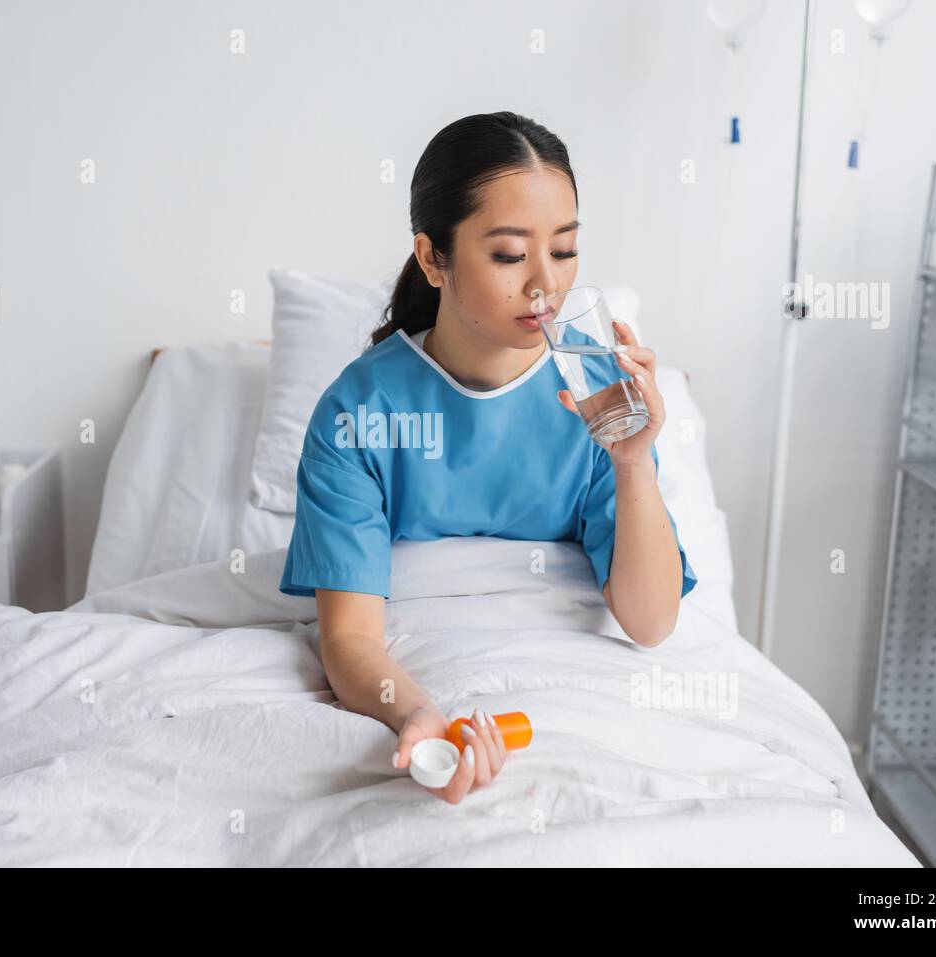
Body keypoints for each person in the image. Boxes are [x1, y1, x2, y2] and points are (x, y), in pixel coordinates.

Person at [278, 111, 696, 804]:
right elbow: (349, 633)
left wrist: (633, 462)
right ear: (432, 257)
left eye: (564, 251)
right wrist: (417, 714)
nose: (545, 285)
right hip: (424, 673)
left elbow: (650, 623)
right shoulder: (359, 411)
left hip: (572, 695)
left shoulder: (593, 391)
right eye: (509, 255)